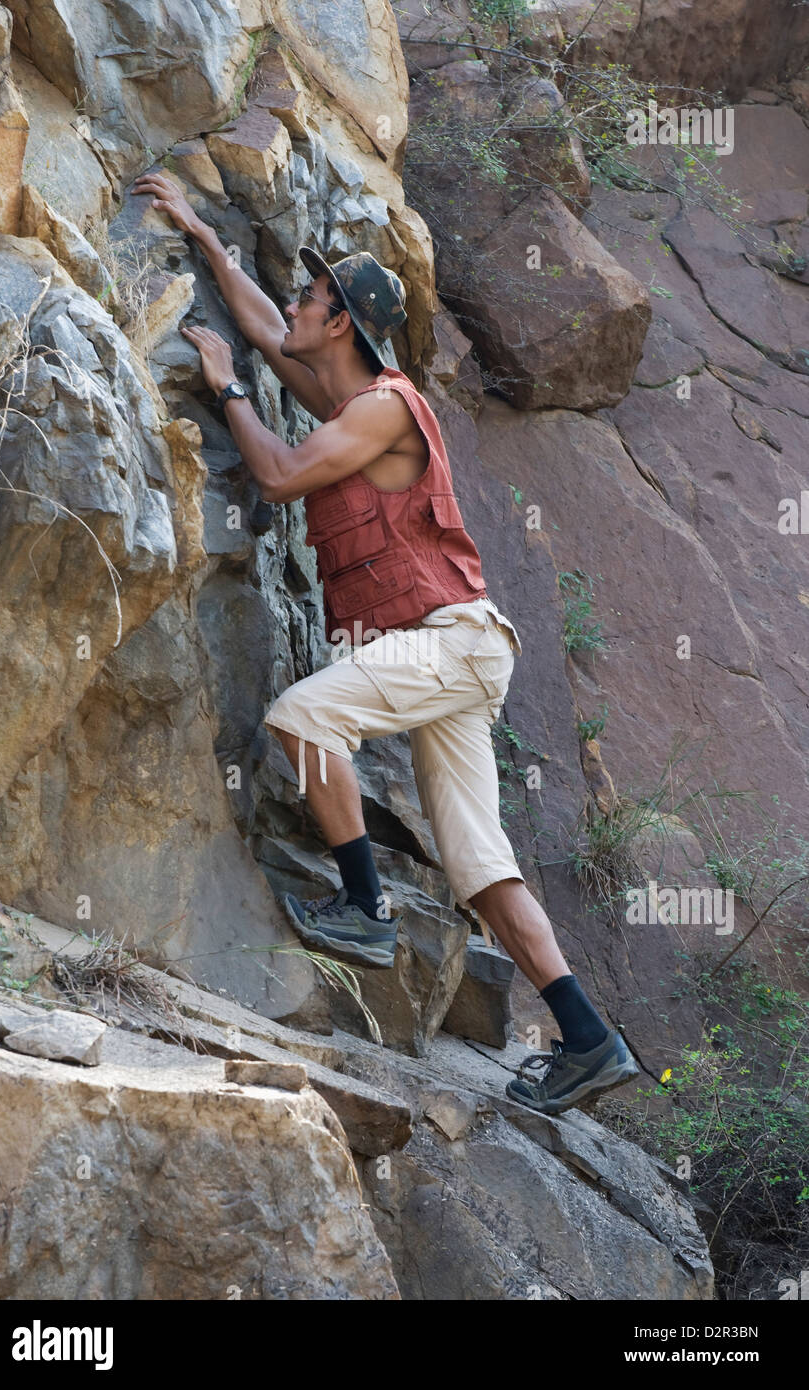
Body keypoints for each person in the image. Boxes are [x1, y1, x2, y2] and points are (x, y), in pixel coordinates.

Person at [131, 173, 639, 1115]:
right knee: (479, 865)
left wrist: (229, 389)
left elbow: (279, 476)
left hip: (449, 644)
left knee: (302, 715)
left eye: (311, 297)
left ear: (341, 326)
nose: (296, 302)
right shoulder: (348, 407)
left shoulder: (382, 408)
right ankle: (588, 1039)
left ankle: (362, 910)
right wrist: (202, 234)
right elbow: (262, 325)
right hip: (458, 652)